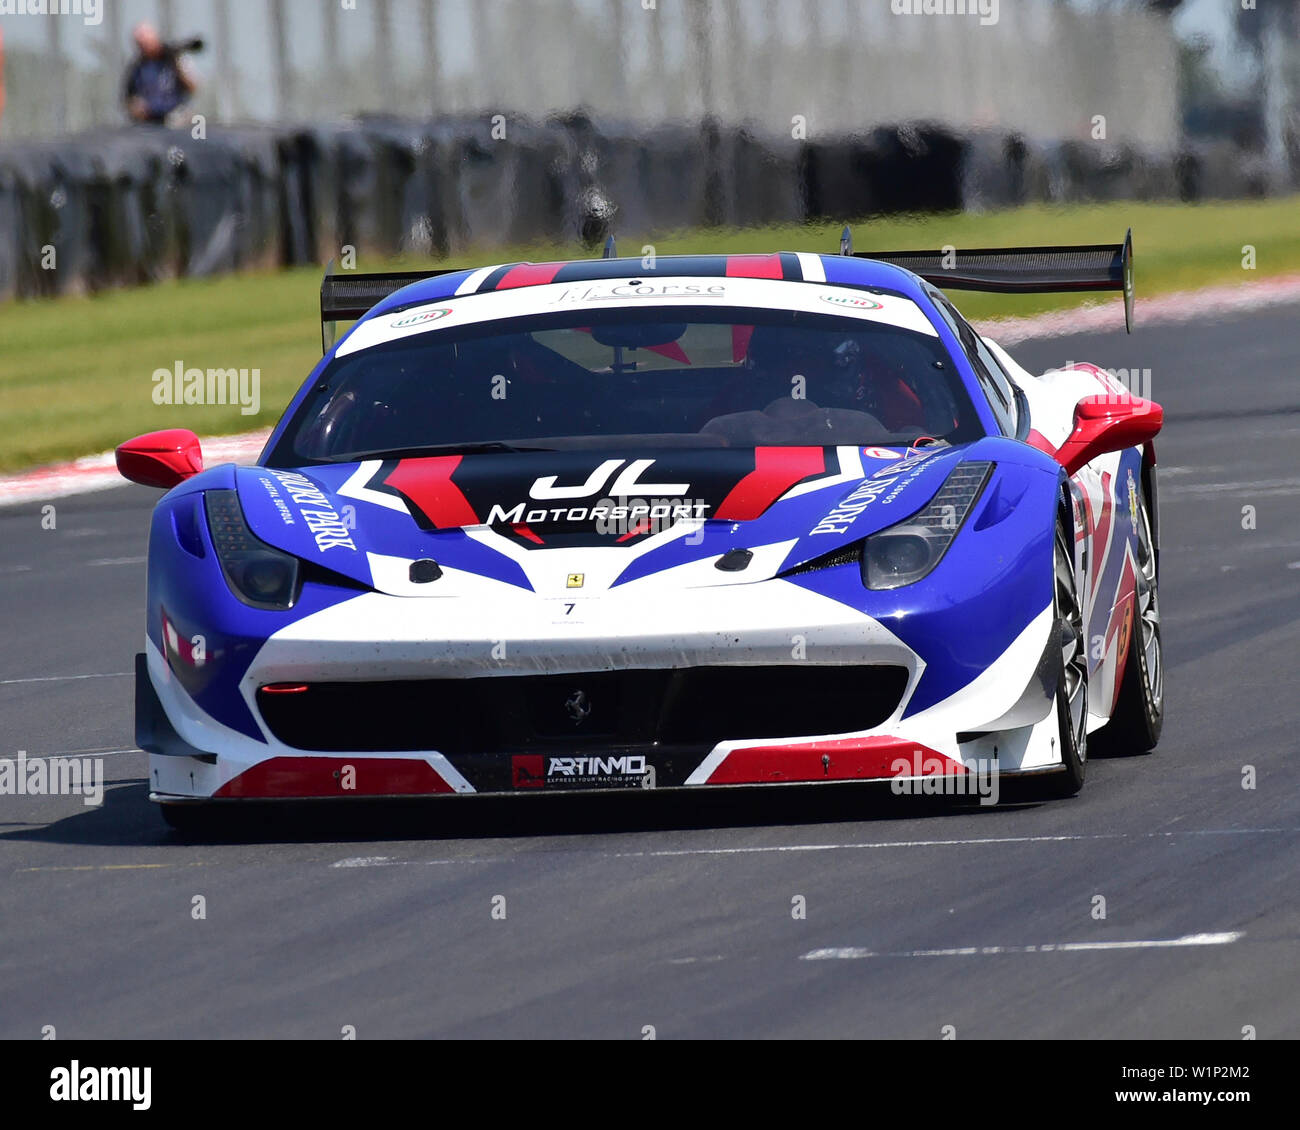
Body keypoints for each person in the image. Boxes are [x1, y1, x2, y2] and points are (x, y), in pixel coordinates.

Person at [123, 23, 197, 125]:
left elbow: (193, 87)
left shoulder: (175, 58)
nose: (145, 48)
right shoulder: (138, 67)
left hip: (176, 116)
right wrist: (136, 107)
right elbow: (129, 97)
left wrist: (177, 67)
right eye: (141, 45)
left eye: (147, 43)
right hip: (149, 120)